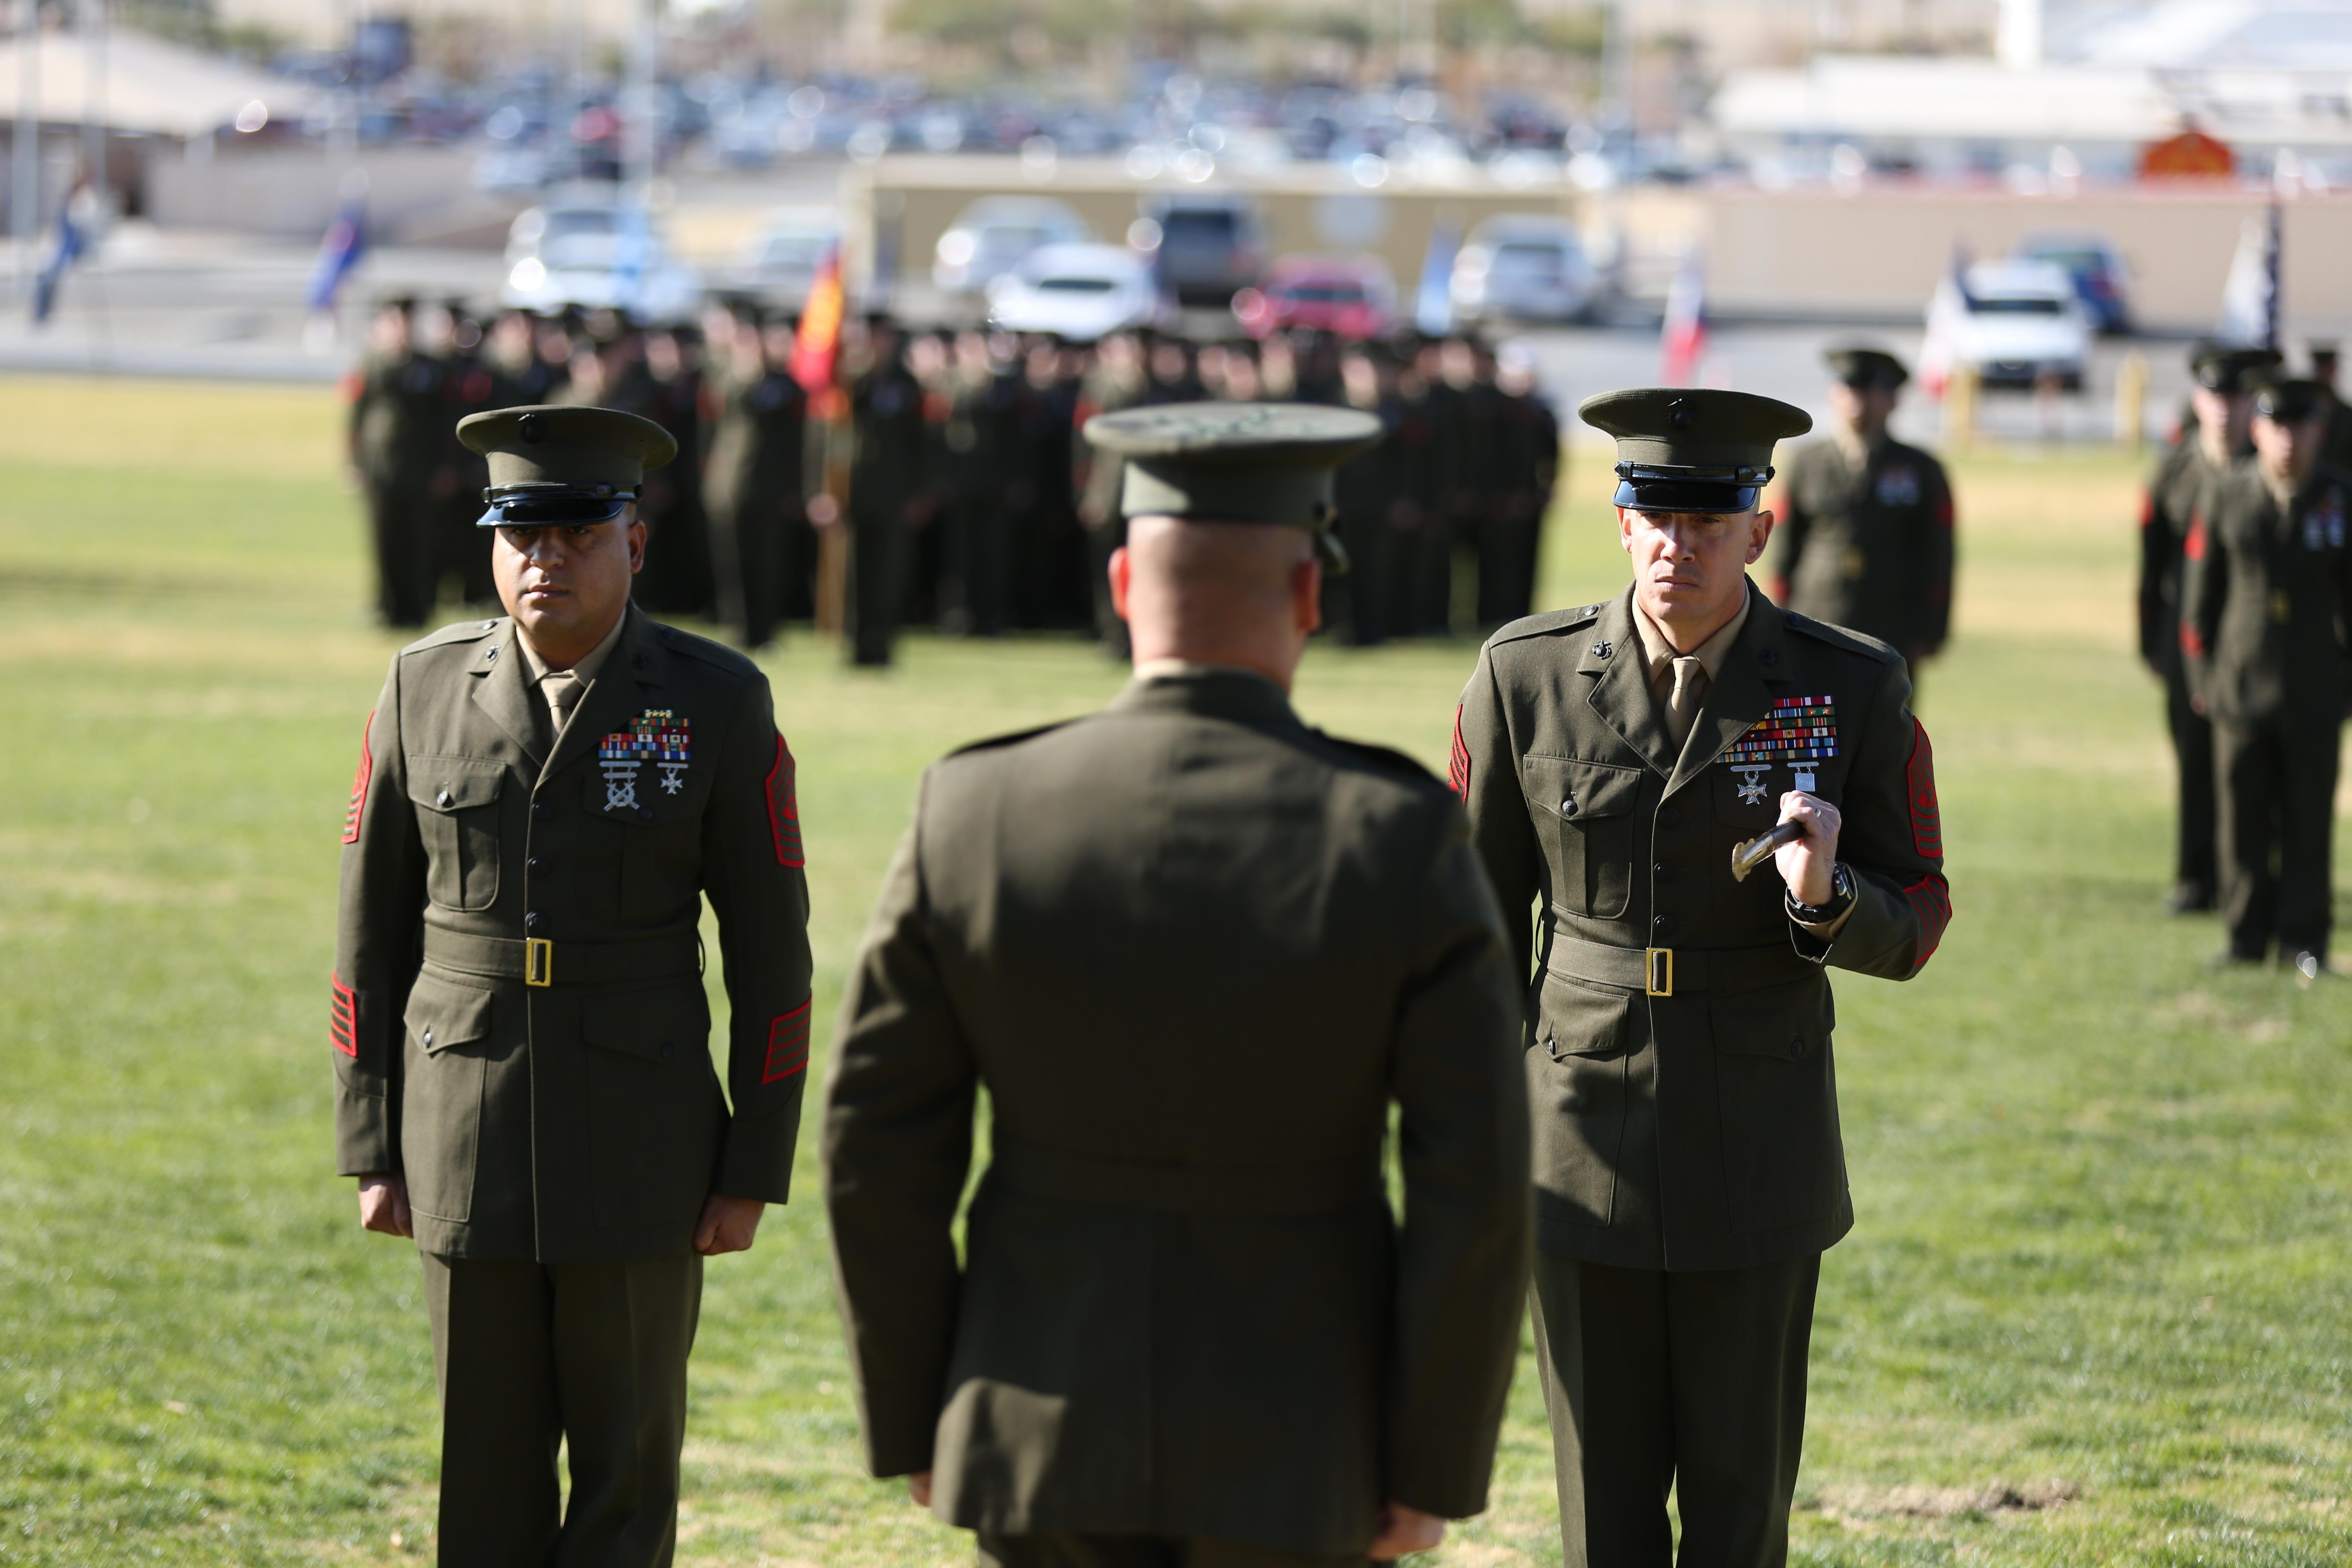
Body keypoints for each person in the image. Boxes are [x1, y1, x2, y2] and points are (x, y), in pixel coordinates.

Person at [822, 401, 1532, 1568]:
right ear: (1310, 595)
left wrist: (916, 1413)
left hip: (1033, 1413)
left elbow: (874, 1145)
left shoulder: (977, 808)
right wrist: (1432, 1460)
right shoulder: (1395, 831)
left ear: (1118, 582)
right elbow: (1478, 1181)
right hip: (1305, 1432)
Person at [1452, 387, 1952, 1568]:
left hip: (1757, 1139)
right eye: (1656, 518)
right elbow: (1468, 925)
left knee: (1741, 1513)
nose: (1681, 547)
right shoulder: (1524, 677)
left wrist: (1830, 898)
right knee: (1602, 1516)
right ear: (1622, 523)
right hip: (1581, 1134)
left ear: (1761, 531)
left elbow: (1920, 913)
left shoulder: (1850, 687)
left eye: (1711, 523)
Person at [331, 404, 815, 1567]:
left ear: (635, 546)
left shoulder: (714, 701)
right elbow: (367, 939)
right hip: (465, 1131)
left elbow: (774, 957)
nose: (545, 561)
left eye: (579, 536)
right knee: (481, 1480)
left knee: (626, 1478)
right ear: (492, 543)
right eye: (521, 536)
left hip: (643, 1143)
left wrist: (753, 1168)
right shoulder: (422, 689)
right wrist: (371, 1141)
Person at [2181, 377, 2352, 979]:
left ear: (2318, 432)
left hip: (2313, 691)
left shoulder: (2339, 498)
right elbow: (2200, 603)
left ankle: (2305, 943)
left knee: (2309, 822)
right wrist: (2204, 677)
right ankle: (2245, 937)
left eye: (2300, 427)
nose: (2288, 440)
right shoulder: (2229, 496)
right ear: (2259, 431)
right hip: (2241, 687)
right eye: (2276, 427)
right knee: (2243, 822)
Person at [2137, 343, 2280, 913]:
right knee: (2195, 760)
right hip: (2187, 639)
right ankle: (2197, 877)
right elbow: (2151, 565)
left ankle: (2254, 880)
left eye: (2238, 397)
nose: (2225, 409)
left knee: (2256, 765)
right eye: (2215, 396)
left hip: (2255, 638)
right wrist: (2151, 640)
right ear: (2199, 400)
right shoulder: (2174, 470)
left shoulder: (2265, 467)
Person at [1766, 347, 1955, 682]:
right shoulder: (1808, 463)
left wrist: (1932, 629)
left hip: (1892, 624)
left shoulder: (1920, 469)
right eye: (1849, 390)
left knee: (1887, 728)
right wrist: (1779, 617)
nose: (1858, 402)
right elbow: (1784, 545)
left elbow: (1938, 553)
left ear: (1893, 401)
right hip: (1817, 617)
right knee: (1817, 726)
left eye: (1869, 392)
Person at [703, 298, 811, 650]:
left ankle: (765, 631)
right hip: (729, 486)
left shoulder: (784, 382)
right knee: (732, 564)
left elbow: (795, 437)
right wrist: (747, 367)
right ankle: (739, 627)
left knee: (768, 563)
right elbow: (721, 408)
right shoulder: (726, 374)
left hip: (770, 488)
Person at [346, 295, 445, 627]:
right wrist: (354, 463)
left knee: (419, 540)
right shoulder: (373, 365)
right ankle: (387, 607)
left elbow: (442, 421)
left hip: (420, 468)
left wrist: (444, 466)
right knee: (384, 539)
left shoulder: (430, 367)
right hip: (381, 468)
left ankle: (416, 608)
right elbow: (356, 417)